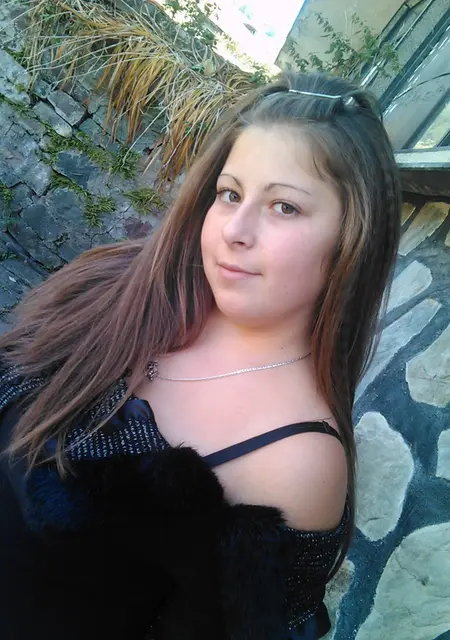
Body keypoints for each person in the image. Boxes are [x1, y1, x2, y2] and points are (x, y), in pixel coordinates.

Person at [0, 71, 401, 640]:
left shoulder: (295, 463)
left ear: (352, 240)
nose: (236, 229)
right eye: (230, 194)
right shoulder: (123, 282)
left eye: (284, 207)